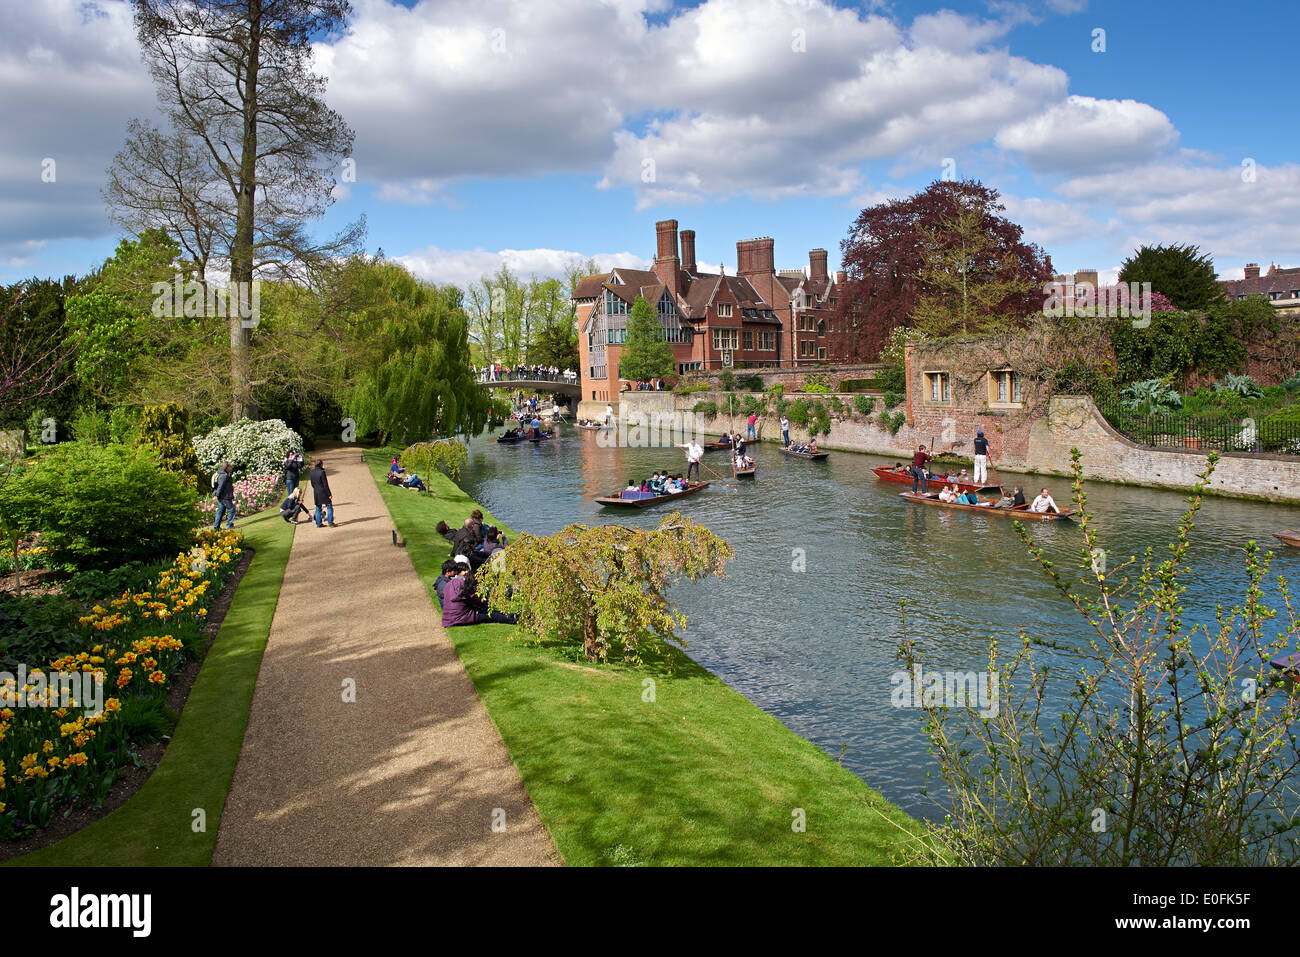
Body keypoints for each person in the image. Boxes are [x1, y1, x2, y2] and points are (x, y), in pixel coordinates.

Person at [441, 569, 519, 627]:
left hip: (448, 617)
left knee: (488, 612)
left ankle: (512, 616)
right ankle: (513, 619)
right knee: (491, 615)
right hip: (461, 618)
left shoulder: (452, 583)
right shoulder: (468, 590)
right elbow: (478, 601)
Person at [310, 459, 335, 527]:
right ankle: (330, 522)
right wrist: (329, 494)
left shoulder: (311, 472)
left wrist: (316, 489)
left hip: (316, 492)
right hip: (323, 492)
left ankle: (319, 523)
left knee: (318, 507)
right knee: (329, 506)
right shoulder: (322, 472)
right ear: (321, 464)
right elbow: (325, 484)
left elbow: (312, 483)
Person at [212, 462, 235, 530]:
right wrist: (217, 495)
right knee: (232, 509)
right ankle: (229, 525)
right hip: (225, 496)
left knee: (221, 511)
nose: (230, 468)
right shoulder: (224, 476)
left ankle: (216, 527)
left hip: (222, 496)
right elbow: (220, 486)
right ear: (226, 467)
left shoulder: (220, 474)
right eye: (229, 467)